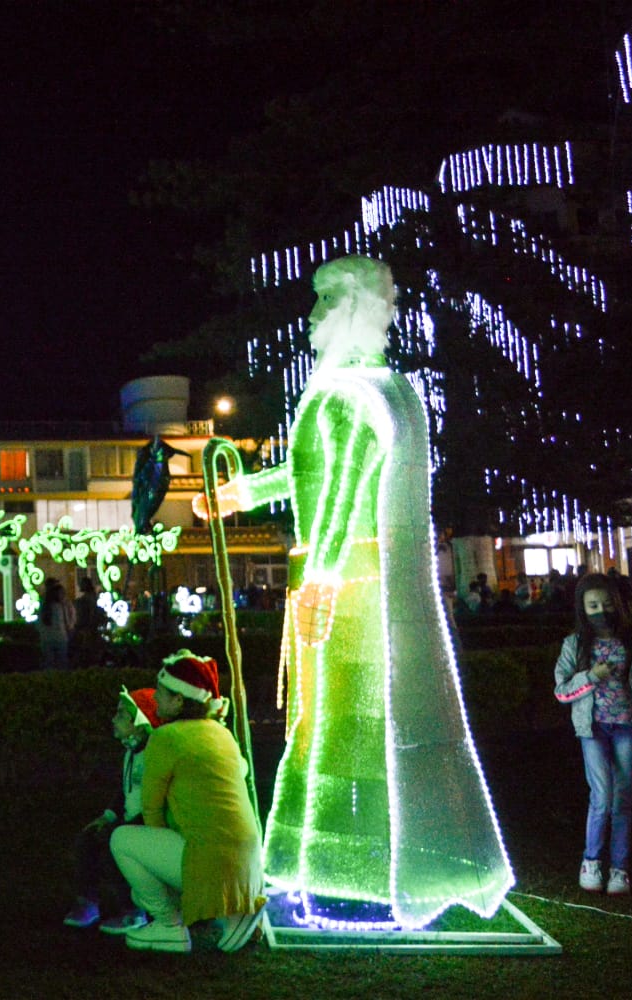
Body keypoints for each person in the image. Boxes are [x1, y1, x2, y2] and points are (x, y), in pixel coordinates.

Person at [194, 255, 512, 927]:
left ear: (348, 313)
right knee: (337, 725)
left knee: (348, 729)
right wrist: (243, 493)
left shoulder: (347, 394)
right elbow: (312, 472)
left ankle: (353, 878)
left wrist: (324, 576)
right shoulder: (385, 389)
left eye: (320, 308)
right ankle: (325, 864)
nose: (310, 323)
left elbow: (343, 491)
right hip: (375, 582)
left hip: (354, 585)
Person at [109, 652, 265, 953]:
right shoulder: (220, 732)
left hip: (210, 861)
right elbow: (241, 772)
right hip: (250, 863)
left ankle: (169, 926)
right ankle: (233, 913)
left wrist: (160, 870)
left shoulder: (165, 737)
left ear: (179, 701)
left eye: (161, 693)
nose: (154, 700)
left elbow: (151, 809)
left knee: (122, 840)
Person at [553, 573, 632, 895]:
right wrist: (591, 677)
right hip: (593, 729)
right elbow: (562, 691)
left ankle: (619, 870)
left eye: (608, 604)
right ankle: (591, 861)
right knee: (602, 797)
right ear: (582, 608)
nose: (601, 610)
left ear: (620, 605)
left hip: (627, 727)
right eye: (593, 605)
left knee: (622, 798)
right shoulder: (575, 644)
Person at [64, 686, 160, 935]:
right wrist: (107, 816)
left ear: (139, 722)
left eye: (120, 715)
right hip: (129, 821)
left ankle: (133, 911)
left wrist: (124, 826)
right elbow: (124, 792)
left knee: (111, 843)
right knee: (87, 838)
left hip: (147, 823)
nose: (113, 720)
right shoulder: (130, 752)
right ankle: (88, 903)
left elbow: (155, 800)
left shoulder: (154, 755)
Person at [37, 578, 74, 671]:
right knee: (62, 664)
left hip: (47, 638)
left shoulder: (44, 604)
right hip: (60, 637)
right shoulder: (62, 605)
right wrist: (70, 629)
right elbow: (69, 620)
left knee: (49, 664)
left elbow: (39, 623)